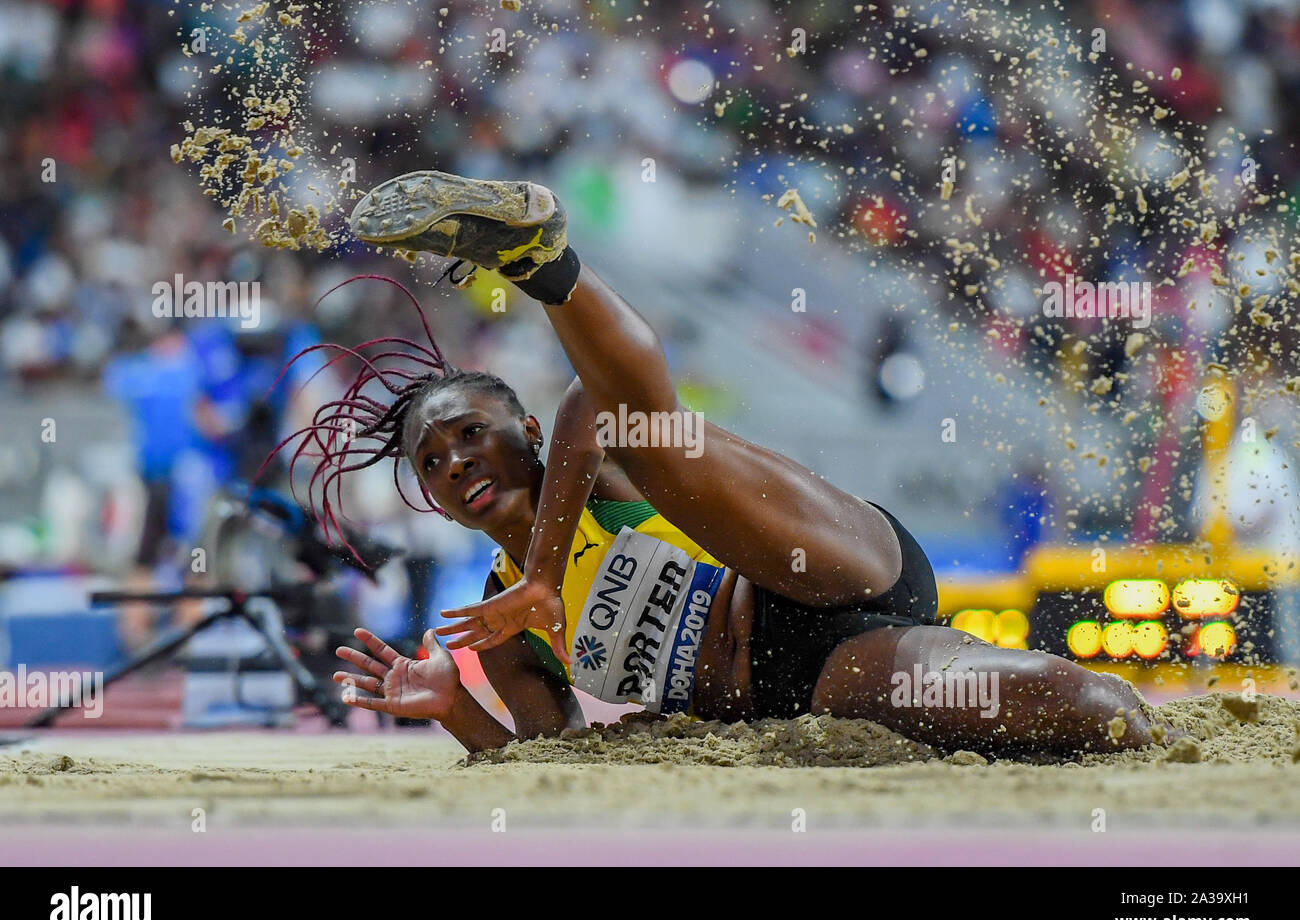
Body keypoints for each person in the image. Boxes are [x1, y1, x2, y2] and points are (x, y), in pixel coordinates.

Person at [269, 170, 1161, 758]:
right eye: (432, 460)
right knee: (1091, 717)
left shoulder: (584, 465)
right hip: (800, 678)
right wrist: (455, 710)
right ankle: (981, 671)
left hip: (817, 561)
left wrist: (546, 570)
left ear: (525, 434)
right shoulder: (505, 630)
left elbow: (594, 404)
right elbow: (552, 755)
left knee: (648, 433)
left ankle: (543, 264)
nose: (456, 459)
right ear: (431, 498)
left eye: (469, 431)